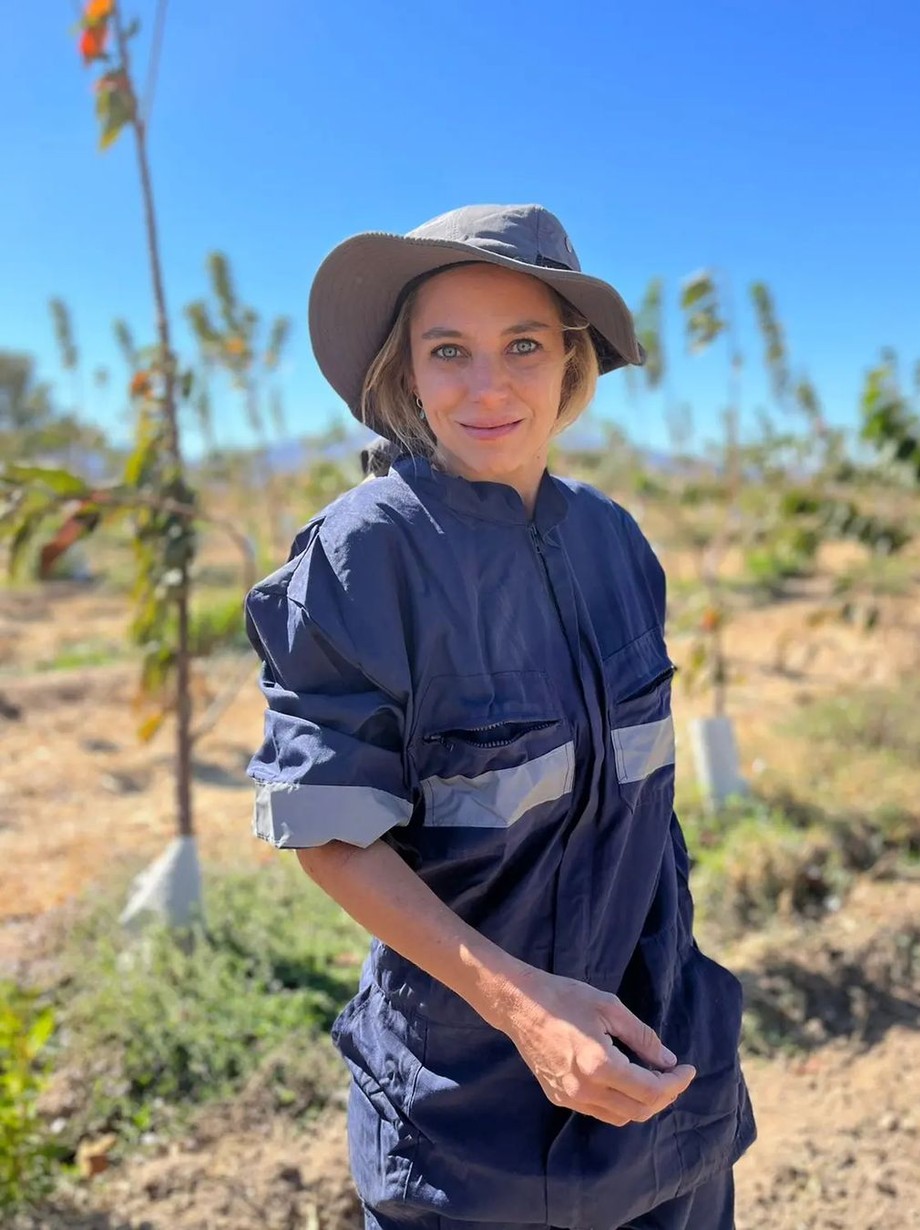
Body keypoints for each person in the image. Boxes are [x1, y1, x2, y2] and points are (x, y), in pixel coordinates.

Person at [244, 204, 756, 1230]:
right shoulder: (362, 558)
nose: (490, 386)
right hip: (466, 1121)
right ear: (408, 370)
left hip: (661, 1076)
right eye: (450, 351)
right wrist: (527, 1009)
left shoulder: (617, 542)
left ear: (571, 361)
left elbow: (645, 814)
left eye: (524, 344)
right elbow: (333, 839)